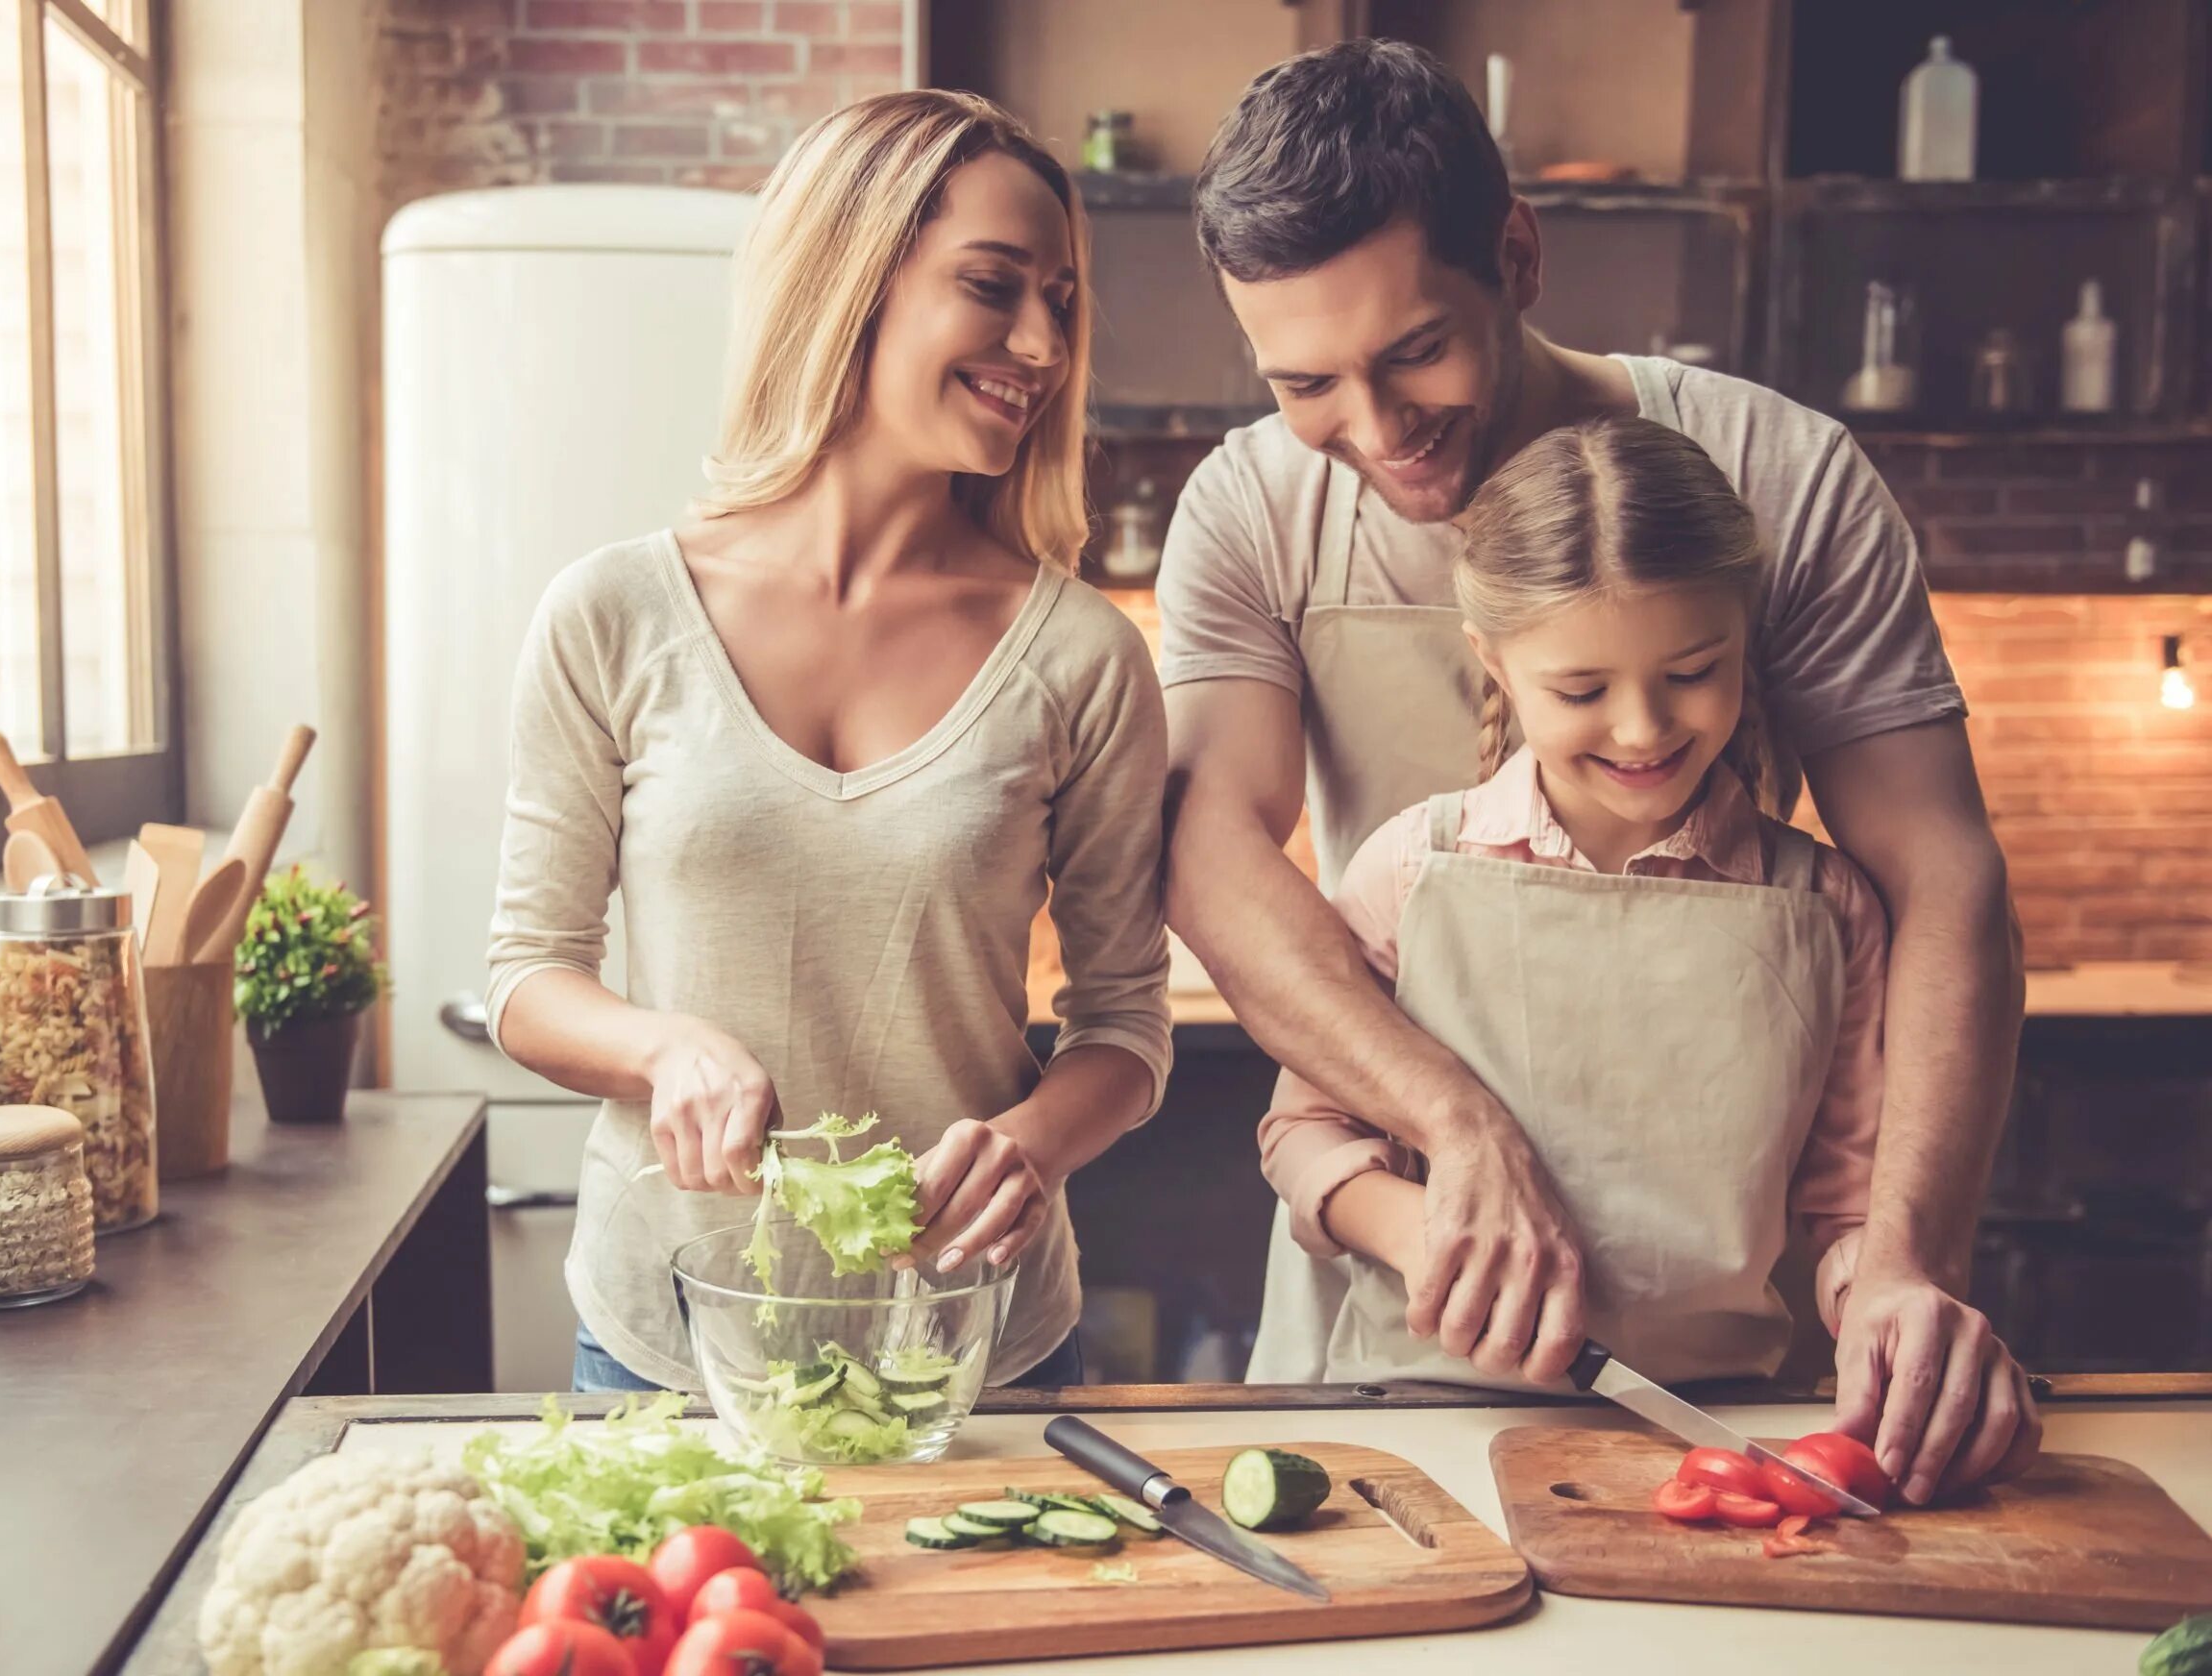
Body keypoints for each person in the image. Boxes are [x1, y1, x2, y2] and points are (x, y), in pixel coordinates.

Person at [1162, 40, 2033, 1504]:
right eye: (1308, 381)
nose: (1374, 433)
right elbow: (1207, 855)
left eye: (1415, 350)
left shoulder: (1787, 477)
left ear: (1516, 251)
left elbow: (1940, 876)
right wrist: (1451, 1125)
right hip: (1404, 1323)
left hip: (1733, 1365)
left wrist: (1897, 1269)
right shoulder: (1250, 508)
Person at [486, 90, 1171, 1393]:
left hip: (970, 1344)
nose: (1041, 342)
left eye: (1063, 300)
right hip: (674, 1339)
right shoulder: (616, 613)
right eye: (992, 286)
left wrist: (1036, 1141)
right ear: (852, 280)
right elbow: (528, 977)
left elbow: (1126, 1030)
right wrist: (661, 1047)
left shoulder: (1082, 656)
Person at [1263, 419, 2029, 1474]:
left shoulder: (1827, 907)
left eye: (1692, 672)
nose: (1640, 729)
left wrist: (1888, 1305)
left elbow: (1851, 1204)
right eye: (1581, 691)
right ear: (1493, 659)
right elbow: (1300, 1132)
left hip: (1721, 1431)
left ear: (1743, 638)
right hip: (1422, 1425)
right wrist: (1408, 1228)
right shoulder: (1409, 869)